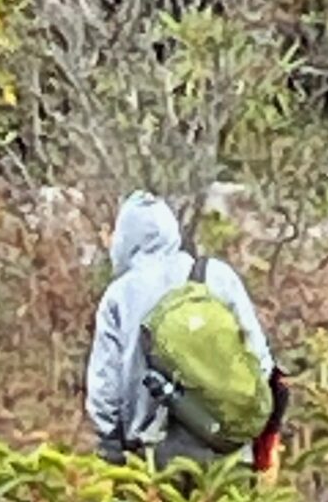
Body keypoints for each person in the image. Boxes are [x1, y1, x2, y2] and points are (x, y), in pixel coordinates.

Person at [86, 192, 274, 469]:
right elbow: (260, 361)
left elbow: (105, 388)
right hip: (228, 450)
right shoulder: (216, 276)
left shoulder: (120, 295)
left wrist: (111, 445)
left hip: (151, 459)